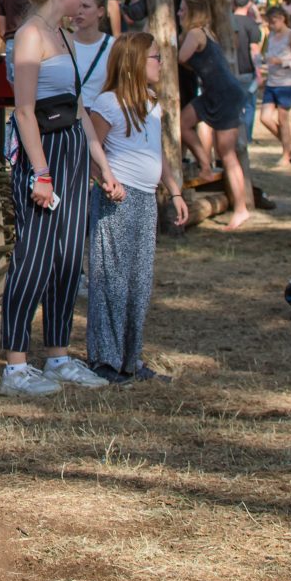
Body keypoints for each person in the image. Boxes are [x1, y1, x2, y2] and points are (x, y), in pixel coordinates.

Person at [0, 0, 113, 396]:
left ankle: (59, 355)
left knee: (67, 258)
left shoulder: (61, 35)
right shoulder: (29, 35)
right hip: (41, 152)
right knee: (35, 255)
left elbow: (79, 108)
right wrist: (40, 173)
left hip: (72, 150)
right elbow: (24, 111)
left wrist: (101, 166)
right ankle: (16, 365)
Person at [84, 30, 188, 382]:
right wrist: (106, 181)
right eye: (155, 57)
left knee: (138, 282)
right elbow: (91, 150)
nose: (161, 63)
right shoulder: (109, 104)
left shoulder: (153, 104)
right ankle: (105, 360)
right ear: (134, 64)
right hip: (118, 200)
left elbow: (158, 155)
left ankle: (131, 358)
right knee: (110, 280)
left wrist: (174, 192)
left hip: (146, 200)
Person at [176, 0, 256, 229]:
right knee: (183, 123)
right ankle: (205, 165)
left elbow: (180, 57)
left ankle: (241, 209)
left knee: (227, 153)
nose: (179, 13)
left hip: (225, 96)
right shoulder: (205, 32)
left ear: (193, 11)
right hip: (212, 93)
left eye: (182, 9)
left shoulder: (195, 33)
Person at [257, 4, 291, 166]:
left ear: (282, 19)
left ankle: (286, 153)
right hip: (272, 82)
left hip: (287, 83)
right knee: (265, 118)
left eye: (273, 21)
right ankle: (289, 144)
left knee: (283, 119)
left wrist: (282, 62)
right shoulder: (270, 37)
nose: (270, 24)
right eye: (269, 22)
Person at [228, 0, 263, 151]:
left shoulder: (227, 21)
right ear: (249, 3)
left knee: (235, 106)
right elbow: (254, 49)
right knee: (249, 105)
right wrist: (259, 72)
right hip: (246, 72)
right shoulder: (251, 24)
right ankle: (246, 138)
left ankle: (236, 137)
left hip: (229, 71)